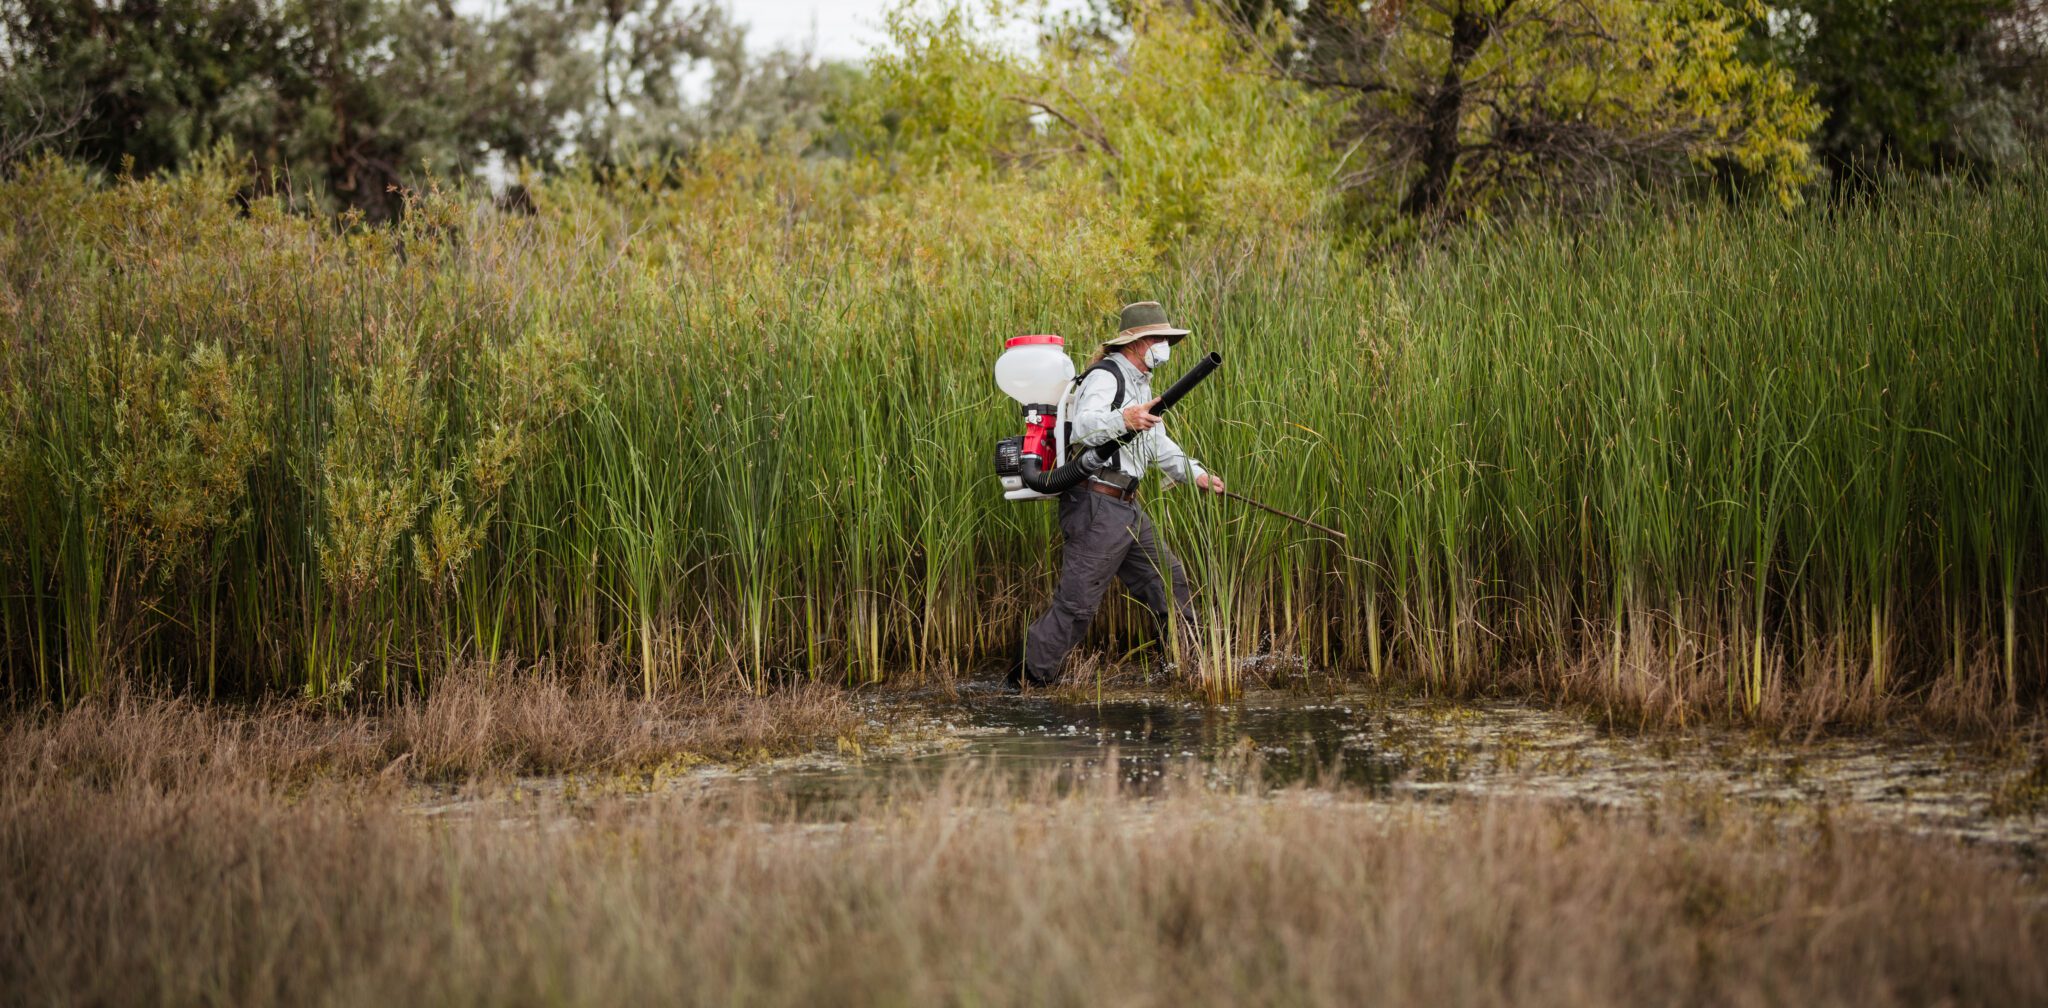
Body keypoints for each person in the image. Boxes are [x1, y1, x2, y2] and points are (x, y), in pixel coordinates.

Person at [1010, 301, 1226, 689]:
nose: (1165, 346)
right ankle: (1025, 683)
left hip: (1126, 507)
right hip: (1096, 505)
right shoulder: (1106, 376)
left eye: (1166, 339)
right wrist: (1123, 419)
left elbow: (1157, 445)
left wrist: (1197, 475)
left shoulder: (1141, 385)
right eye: (1159, 338)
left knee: (1169, 583)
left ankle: (1186, 669)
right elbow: (1085, 429)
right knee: (1076, 607)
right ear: (1137, 342)